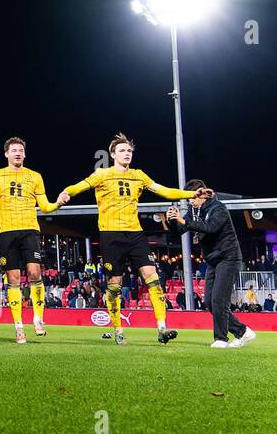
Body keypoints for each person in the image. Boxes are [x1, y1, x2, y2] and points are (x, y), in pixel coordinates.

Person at [56, 133, 195, 346]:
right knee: (115, 285)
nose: (127, 154)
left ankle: (162, 327)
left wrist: (192, 195)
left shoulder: (139, 175)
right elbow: (80, 186)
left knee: (152, 277)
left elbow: (165, 191)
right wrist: (67, 192)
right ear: (113, 154)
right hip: (111, 235)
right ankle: (118, 329)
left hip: (135, 234)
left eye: (129, 151)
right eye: (122, 150)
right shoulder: (102, 174)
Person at [0, 137, 60, 344]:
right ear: (6, 154)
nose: (18, 153)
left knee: (35, 273)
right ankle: (19, 327)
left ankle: (38, 319)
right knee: (13, 279)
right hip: (7, 231)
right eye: (14, 150)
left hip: (29, 230)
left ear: (25, 154)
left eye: (21, 150)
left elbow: (45, 206)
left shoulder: (35, 176)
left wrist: (58, 203)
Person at [163, 181, 255, 348]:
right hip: (212, 260)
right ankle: (242, 331)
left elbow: (210, 228)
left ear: (202, 194)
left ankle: (221, 339)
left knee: (219, 300)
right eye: (189, 198)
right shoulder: (193, 211)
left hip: (228, 258)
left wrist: (183, 220)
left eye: (193, 197)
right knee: (209, 302)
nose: (190, 201)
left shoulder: (218, 208)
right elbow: (180, 230)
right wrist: (172, 221)